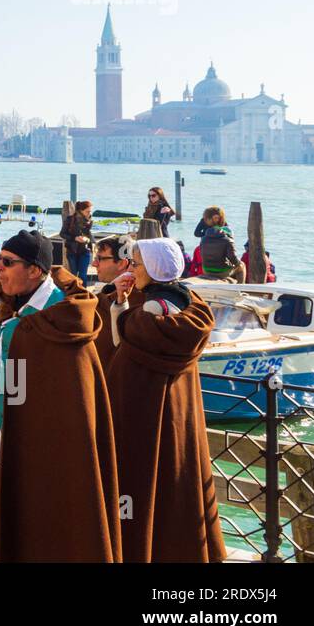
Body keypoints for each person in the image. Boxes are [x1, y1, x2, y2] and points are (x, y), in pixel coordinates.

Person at [0, 230, 121, 562]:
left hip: (43, 450)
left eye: (7, 262)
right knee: (12, 523)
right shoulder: (16, 306)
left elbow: (68, 395)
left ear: (35, 270)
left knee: (46, 529)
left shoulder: (61, 317)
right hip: (1, 436)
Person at [106, 239, 225, 563]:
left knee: (139, 494)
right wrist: (122, 302)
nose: (132, 269)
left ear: (155, 269)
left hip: (140, 420)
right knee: (175, 493)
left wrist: (121, 308)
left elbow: (125, 341)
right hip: (177, 416)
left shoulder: (148, 314)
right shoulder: (189, 306)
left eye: (138, 265)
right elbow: (130, 337)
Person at [89, 234, 132, 372]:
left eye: (100, 259)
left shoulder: (135, 301)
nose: (94, 263)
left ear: (122, 263)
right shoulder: (105, 296)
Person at [193, 206, 244, 282]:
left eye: (217, 217)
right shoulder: (225, 235)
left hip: (206, 246)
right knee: (241, 266)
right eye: (214, 217)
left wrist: (206, 235)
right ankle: (241, 288)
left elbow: (197, 234)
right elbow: (232, 257)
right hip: (215, 248)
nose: (216, 219)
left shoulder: (204, 234)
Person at [60, 200, 94, 284]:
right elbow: (62, 234)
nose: (90, 214)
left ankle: (84, 294)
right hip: (72, 251)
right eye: (88, 211)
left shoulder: (89, 221)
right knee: (73, 275)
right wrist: (74, 238)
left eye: (90, 211)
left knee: (83, 275)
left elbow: (89, 236)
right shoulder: (70, 219)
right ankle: (75, 293)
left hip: (85, 250)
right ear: (81, 210)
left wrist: (87, 239)